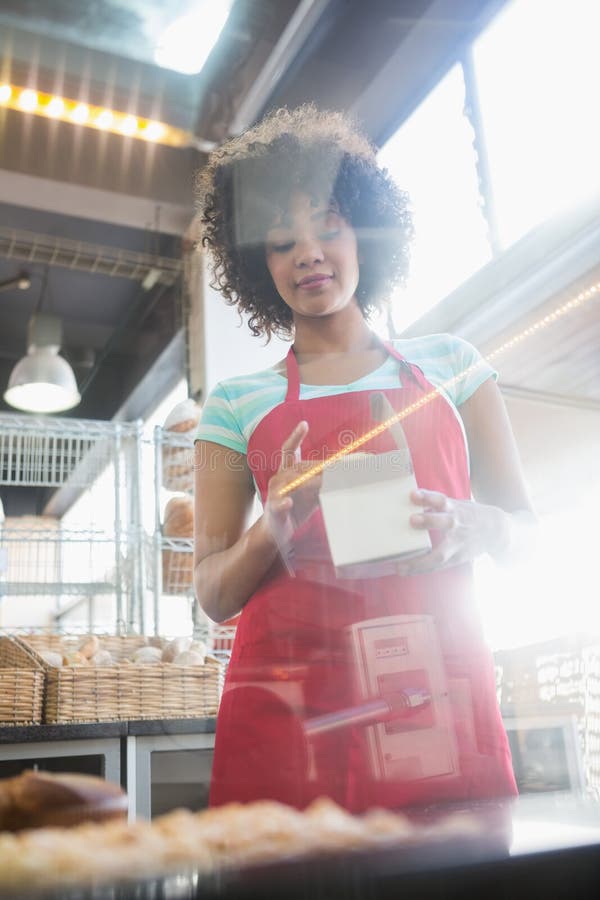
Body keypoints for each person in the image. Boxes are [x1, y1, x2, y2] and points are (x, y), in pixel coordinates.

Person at [193, 105, 535, 813]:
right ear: (259, 266)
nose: (309, 254)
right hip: (288, 711)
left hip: (431, 692)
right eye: (282, 243)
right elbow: (214, 593)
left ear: (363, 232)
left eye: (327, 227)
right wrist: (274, 524)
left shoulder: (454, 367)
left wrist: (479, 526)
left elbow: (525, 536)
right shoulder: (232, 404)